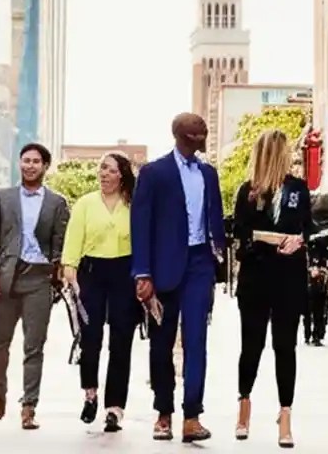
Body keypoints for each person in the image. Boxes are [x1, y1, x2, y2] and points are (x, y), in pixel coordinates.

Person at [131, 113, 226, 443]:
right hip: (163, 268)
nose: (201, 139)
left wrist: (219, 255)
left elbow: (216, 216)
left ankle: (192, 416)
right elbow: (140, 224)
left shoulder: (208, 174)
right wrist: (142, 272)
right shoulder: (154, 173)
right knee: (161, 343)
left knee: (197, 340)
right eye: (195, 135)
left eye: (203, 134)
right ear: (179, 135)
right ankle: (163, 413)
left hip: (200, 263)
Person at [231, 129, 313, 447]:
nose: (289, 155)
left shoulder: (298, 189)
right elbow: (240, 234)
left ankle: (285, 414)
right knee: (251, 346)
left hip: (288, 279)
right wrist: (261, 242)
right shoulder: (248, 191)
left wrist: (298, 240)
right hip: (255, 279)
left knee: (285, 347)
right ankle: (244, 406)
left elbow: (307, 226)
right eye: (284, 151)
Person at [0, 143, 71, 429]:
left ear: (45, 166)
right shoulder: (0, 198)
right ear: (20, 164)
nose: (30, 165)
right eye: (26, 160)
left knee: (34, 346)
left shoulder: (57, 203)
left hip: (38, 279)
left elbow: (59, 243)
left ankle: (29, 406)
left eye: (36, 161)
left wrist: (58, 273)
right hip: (6, 279)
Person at [60, 152, 140, 433]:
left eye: (109, 169)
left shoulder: (133, 203)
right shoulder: (85, 203)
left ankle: (114, 408)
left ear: (122, 174)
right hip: (91, 272)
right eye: (101, 169)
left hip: (125, 273)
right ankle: (90, 393)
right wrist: (69, 268)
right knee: (90, 337)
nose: (103, 174)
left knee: (121, 340)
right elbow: (73, 237)